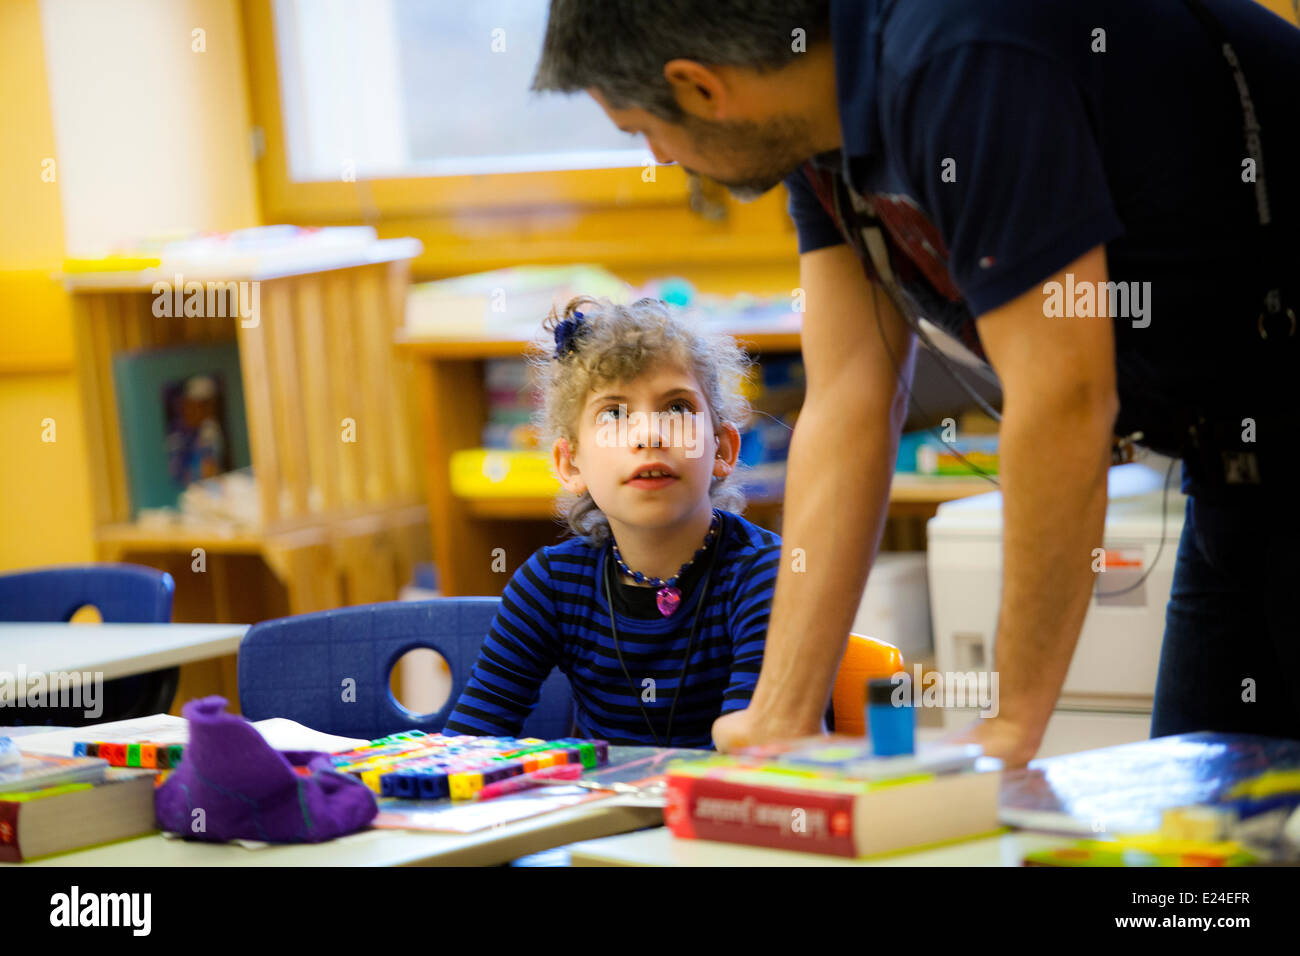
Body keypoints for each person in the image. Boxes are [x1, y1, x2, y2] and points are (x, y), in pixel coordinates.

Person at [532, 0, 1300, 764]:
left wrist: (1007, 730)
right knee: (1205, 842)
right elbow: (849, 400)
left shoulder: (961, 49)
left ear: (701, 87)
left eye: (641, 129)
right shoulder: (817, 132)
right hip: (1238, 470)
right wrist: (780, 714)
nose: (660, 158)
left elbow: (1064, 397)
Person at [442, 296, 782, 746]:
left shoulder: (762, 573)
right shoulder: (552, 584)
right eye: (614, 414)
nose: (649, 436)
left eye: (677, 408)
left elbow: (757, 749)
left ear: (723, 449)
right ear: (570, 464)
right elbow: (470, 743)